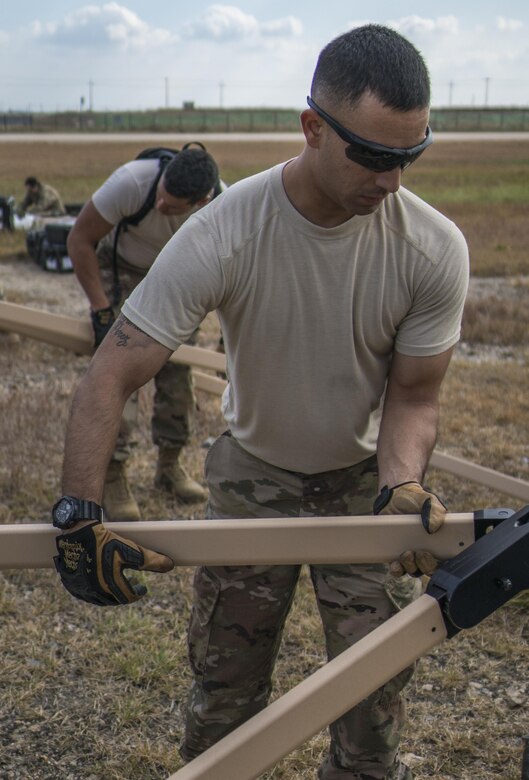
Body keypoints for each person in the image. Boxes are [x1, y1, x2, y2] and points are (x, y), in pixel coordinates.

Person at [53, 24, 469, 780]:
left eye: (409, 156)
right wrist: (78, 515)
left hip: (359, 485)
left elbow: (413, 394)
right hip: (252, 480)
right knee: (223, 694)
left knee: (373, 699)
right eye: (373, 156)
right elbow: (110, 374)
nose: (391, 181)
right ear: (311, 127)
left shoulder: (432, 249)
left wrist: (400, 482)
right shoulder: (226, 230)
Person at [66, 146, 224, 520]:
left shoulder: (223, 206)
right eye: (160, 196)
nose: (161, 204)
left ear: (200, 201)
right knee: (120, 372)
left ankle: (170, 464)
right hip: (120, 268)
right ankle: (115, 473)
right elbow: (80, 240)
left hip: (174, 277)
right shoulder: (131, 182)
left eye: (171, 206)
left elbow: (232, 271)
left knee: (179, 372)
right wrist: (101, 308)